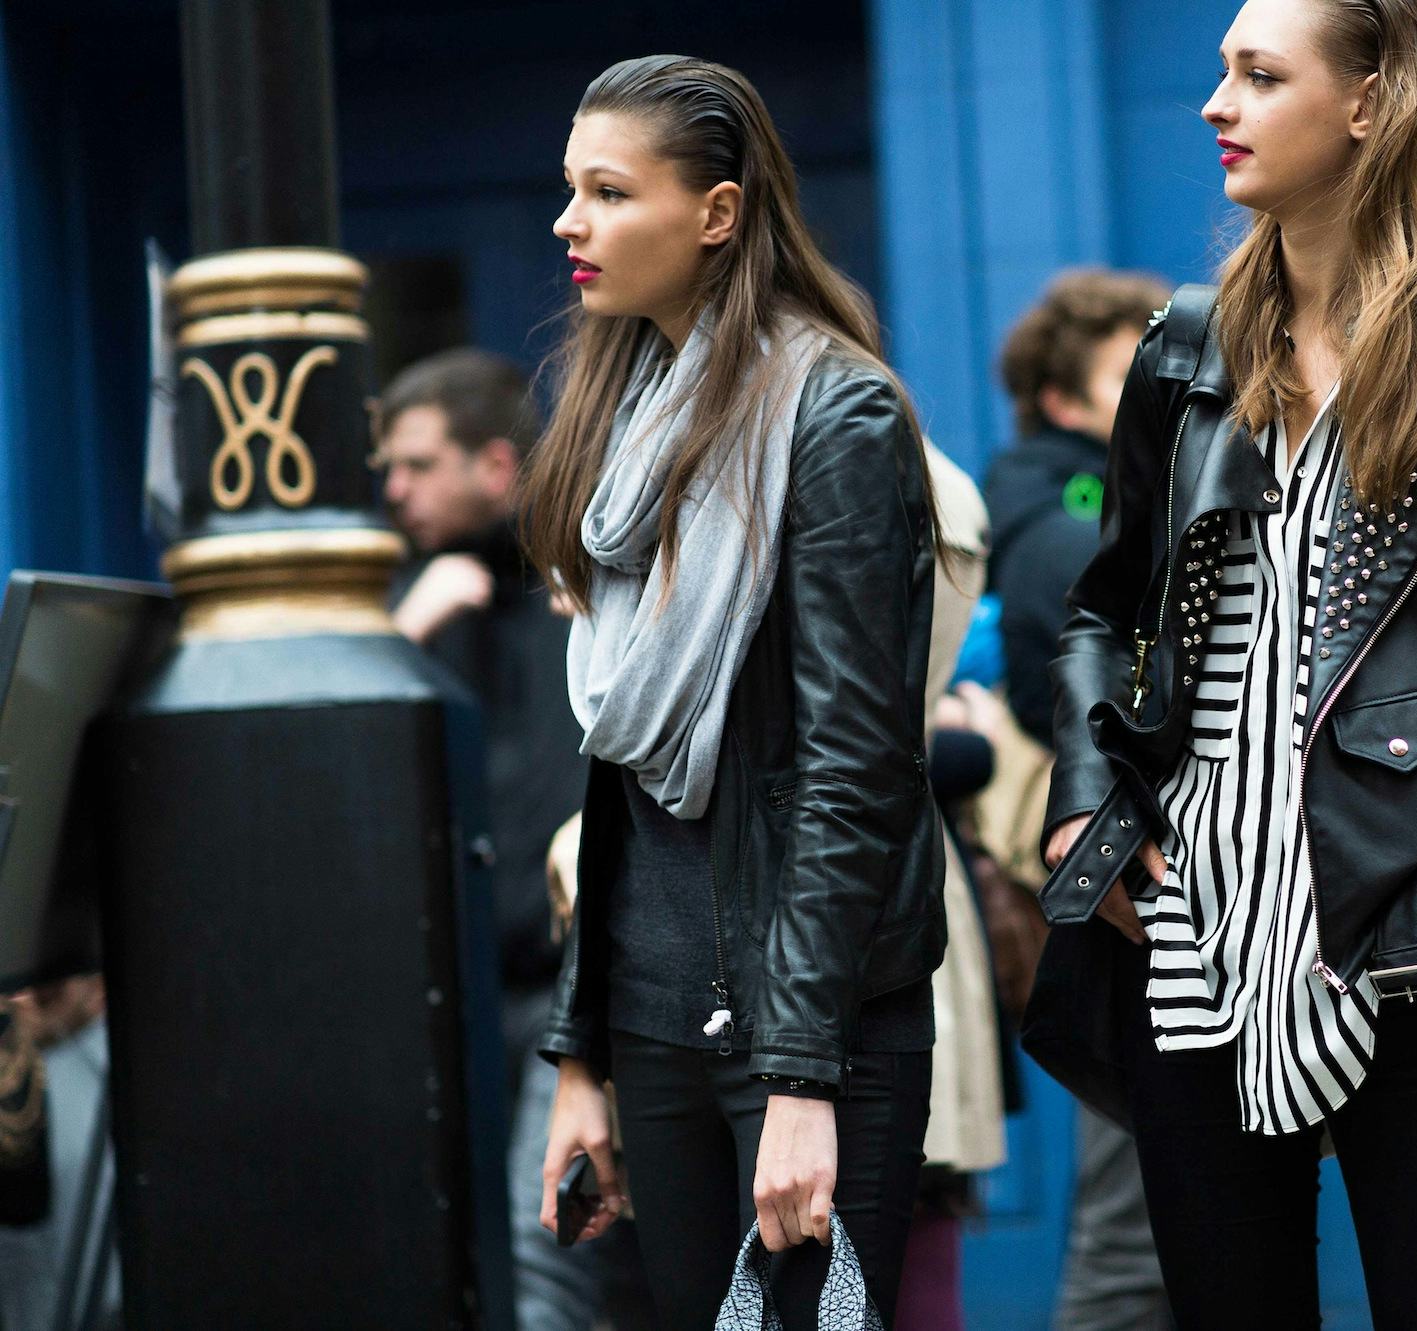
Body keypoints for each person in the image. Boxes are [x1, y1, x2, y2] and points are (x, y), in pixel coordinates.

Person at [1033, 2, 1417, 1326]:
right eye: (1221, 70)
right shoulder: (1185, 351)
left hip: (1407, 966)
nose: (1216, 103)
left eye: (1258, 74)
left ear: (1369, 102)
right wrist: (1083, 802)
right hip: (1192, 948)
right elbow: (1104, 615)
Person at [524, 56, 945, 1330]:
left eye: (609, 192)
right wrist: (582, 1054)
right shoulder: (625, 418)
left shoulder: (835, 415)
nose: (570, 222)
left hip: (807, 1030)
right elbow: (619, 768)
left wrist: (800, 1078)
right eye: (570, 189)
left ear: (716, 213)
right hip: (653, 1023)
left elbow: (852, 766)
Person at [374, 348, 610, 1330]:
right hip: (456, 1001)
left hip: (579, 990)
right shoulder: (416, 603)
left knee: (557, 1258)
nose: (395, 489)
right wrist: (402, 636)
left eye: (418, 464)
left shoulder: (589, 586)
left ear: (497, 466)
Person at [982, 267, 1176, 1331]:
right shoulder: (1064, 505)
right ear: (1062, 401)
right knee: (1137, 1219)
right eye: (1129, 375)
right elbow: (1099, 632)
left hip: (1133, 871)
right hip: (1122, 881)